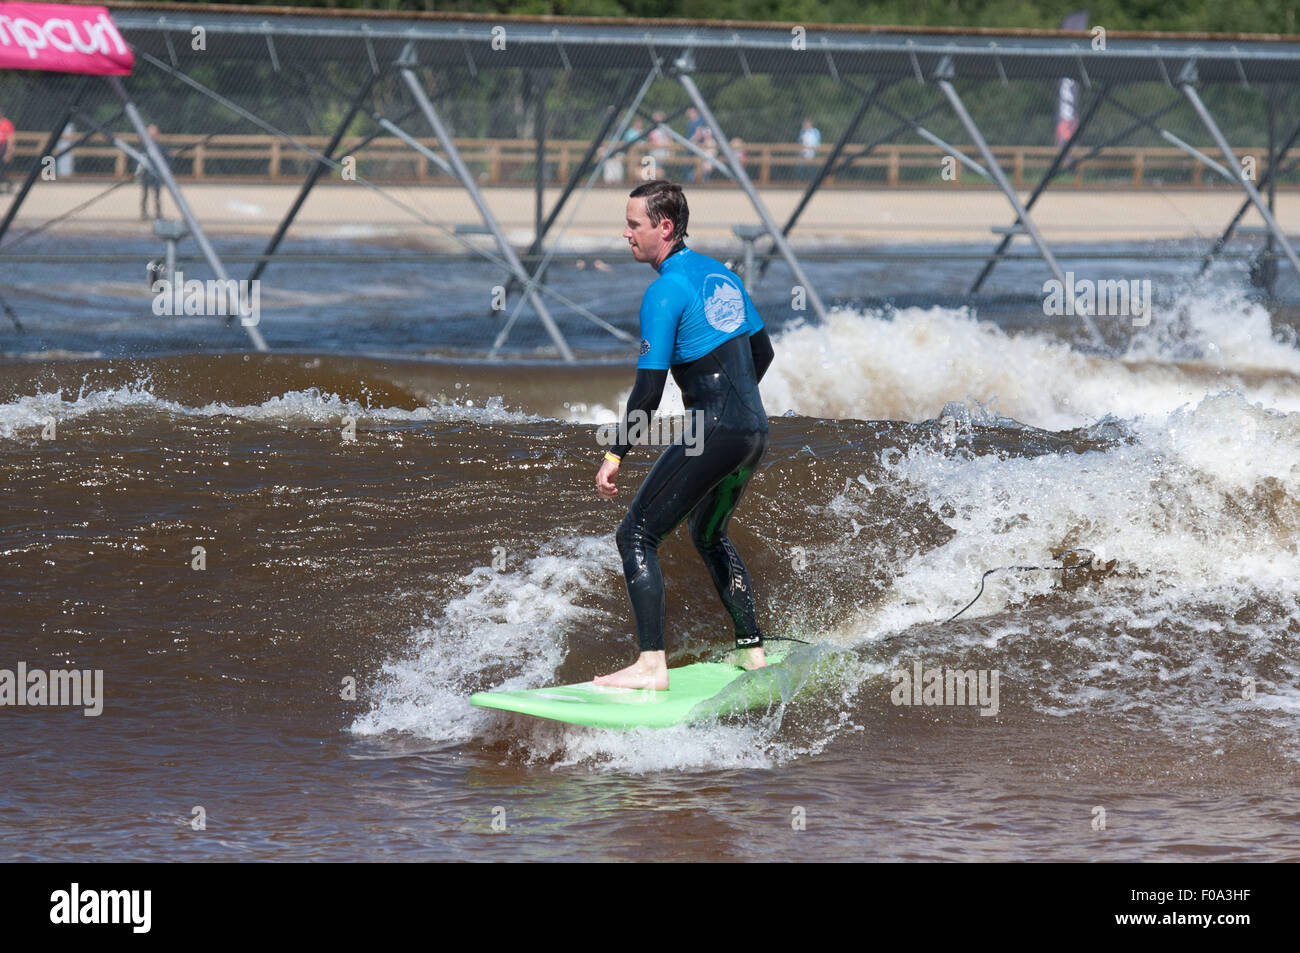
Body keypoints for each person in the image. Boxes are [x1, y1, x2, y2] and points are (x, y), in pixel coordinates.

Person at [594, 180, 775, 690]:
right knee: (706, 533)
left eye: (634, 224)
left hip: (715, 428)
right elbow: (763, 355)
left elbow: (647, 393)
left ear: (664, 227)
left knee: (635, 534)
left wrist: (616, 453)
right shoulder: (722, 275)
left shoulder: (665, 291)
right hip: (752, 429)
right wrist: (735, 415)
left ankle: (652, 664)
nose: (625, 233)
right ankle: (751, 651)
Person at [136, 123, 169, 220]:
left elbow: (167, 159)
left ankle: (158, 213)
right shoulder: (143, 147)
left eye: (153, 132)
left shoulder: (161, 147)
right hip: (146, 173)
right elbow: (139, 160)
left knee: (157, 194)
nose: (152, 134)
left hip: (157, 173)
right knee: (145, 193)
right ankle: (144, 212)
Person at [0, 108, 16, 193]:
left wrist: (9, 152)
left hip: (3, 147)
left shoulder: (7, 124)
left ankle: (8, 183)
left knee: (2, 168)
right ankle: (8, 183)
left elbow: (11, 138)